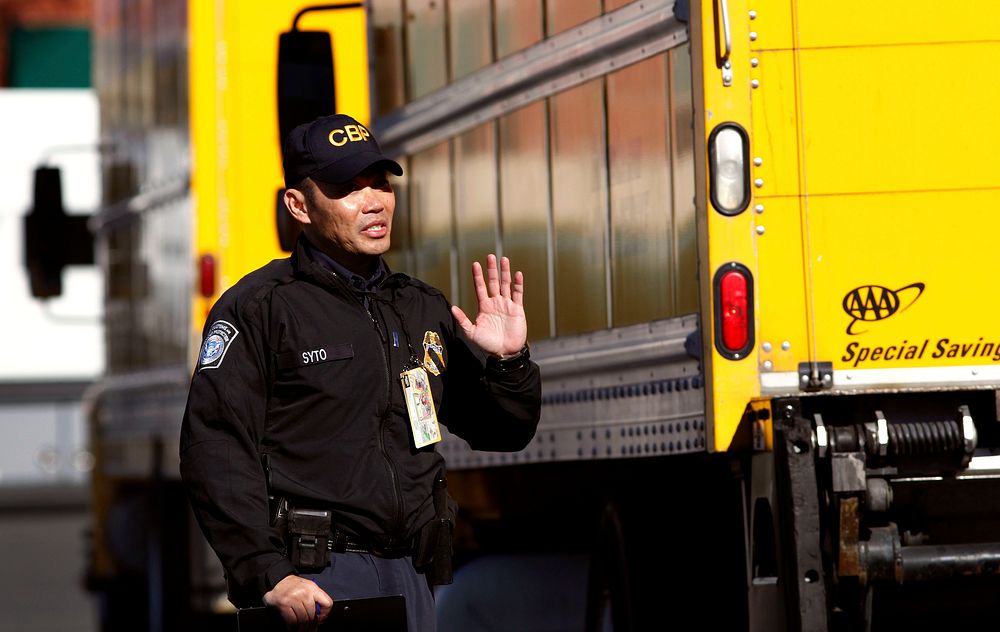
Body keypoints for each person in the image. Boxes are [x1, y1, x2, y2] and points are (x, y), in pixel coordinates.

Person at [179, 113, 541, 631]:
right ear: (299, 205)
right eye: (348, 188)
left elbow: (504, 430)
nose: (375, 201)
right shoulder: (260, 309)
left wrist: (509, 361)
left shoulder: (420, 308)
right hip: (317, 583)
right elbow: (214, 449)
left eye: (380, 183)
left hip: (412, 577)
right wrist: (268, 573)